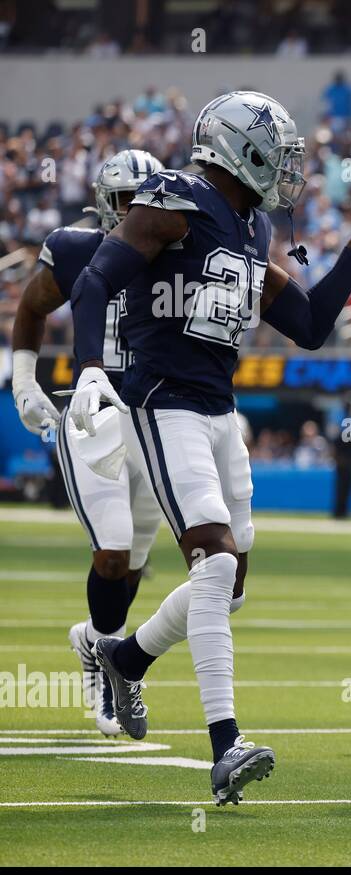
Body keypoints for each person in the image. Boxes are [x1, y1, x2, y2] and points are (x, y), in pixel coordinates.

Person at [65, 90, 351, 804]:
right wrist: (88, 367)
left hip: (219, 411)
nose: (287, 172)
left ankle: (126, 659)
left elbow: (312, 322)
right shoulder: (174, 199)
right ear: (239, 147)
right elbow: (97, 277)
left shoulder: (250, 228)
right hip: (164, 400)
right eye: (279, 157)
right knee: (216, 559)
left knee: (231, 585)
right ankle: (227, 747)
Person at [8, 149, 165, 737]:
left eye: (146, 199)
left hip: (157, 418)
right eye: (127, 200)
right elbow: (30, 307)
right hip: (95, 413)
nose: (137, 211)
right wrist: (26, 381)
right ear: (107, 201)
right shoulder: (76, 249)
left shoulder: (183, 255)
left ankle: (94, 641)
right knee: (113, 554)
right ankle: (108, 662)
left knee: (133, 569)